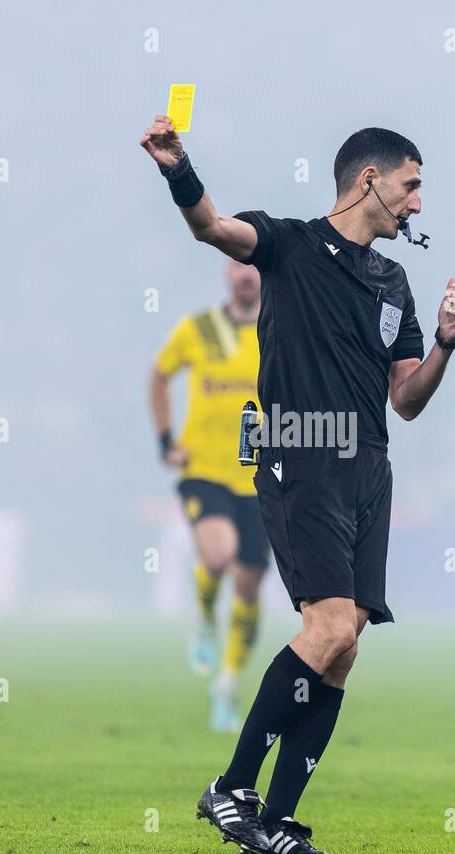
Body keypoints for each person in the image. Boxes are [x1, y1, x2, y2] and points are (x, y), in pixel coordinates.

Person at [139, 117, 455, 854]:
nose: (418, 205)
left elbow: (406, 399)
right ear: (369, 181)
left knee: (345, 644)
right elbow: (211, 228)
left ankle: (277, 819)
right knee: (324, 629)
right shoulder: (288, 244)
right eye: (412, 186)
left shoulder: (394, 281)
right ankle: (231, 787)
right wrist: (176, 166)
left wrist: (445, 343)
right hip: (298, 457)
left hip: (367, 470)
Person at [149, 258, 270, 731]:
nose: (246, 274)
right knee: (218, 556)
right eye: (238, 266)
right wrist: (165, 439)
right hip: (203, 469)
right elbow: (159, 376)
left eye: (254, 267)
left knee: (249, 587)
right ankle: (203, 617)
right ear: (224, 272)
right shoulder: (197, 328)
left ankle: (228, 683)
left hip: (259, 473)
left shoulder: (278, 332)